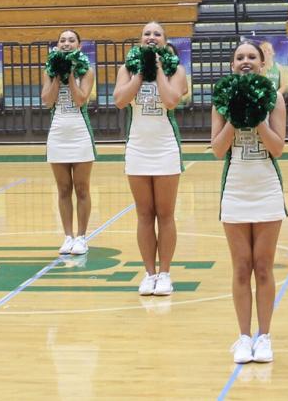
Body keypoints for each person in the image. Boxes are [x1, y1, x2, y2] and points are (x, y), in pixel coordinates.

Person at [211, 41, 287, 364]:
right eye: (239, 57)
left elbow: (278, 147)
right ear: (232, 65)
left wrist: (257, 117)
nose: (245, 61)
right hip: (236, 188)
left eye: (251, 57)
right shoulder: (222, 100)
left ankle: (264, 336)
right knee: (241, 266)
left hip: (267, 187)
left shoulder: (275, 99)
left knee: (263, 267)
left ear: (262, 64)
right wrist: (233, 114)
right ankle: (243, 337)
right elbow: (217, 149)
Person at [113, 21, 188, 297]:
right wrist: (139, 74)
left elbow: (171, 101)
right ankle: (149, 273)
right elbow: (120, 100)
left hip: (166, 147)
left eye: (157, 34)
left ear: (165, 41)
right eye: (147, 34)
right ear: (140, 40)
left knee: (165, 214)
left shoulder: (176, 70)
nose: (151, 37)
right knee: (144, 214)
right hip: (137, 149)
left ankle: (165, 273)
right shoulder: (126, 68)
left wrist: (156, 70)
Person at [41, 30, 96, 255]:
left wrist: (71, 73)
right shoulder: (48, 71)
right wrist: (56, 75)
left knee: (82, 188)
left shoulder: (87, 71)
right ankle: (68, 236)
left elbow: (81, 99)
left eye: (71, 40)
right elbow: (47, 100)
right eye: (62, 40)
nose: (66, 43)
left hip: (80, 133)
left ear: (79, 46)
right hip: (57, 134)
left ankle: (82, 237)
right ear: (57, 45)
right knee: (63, 188)